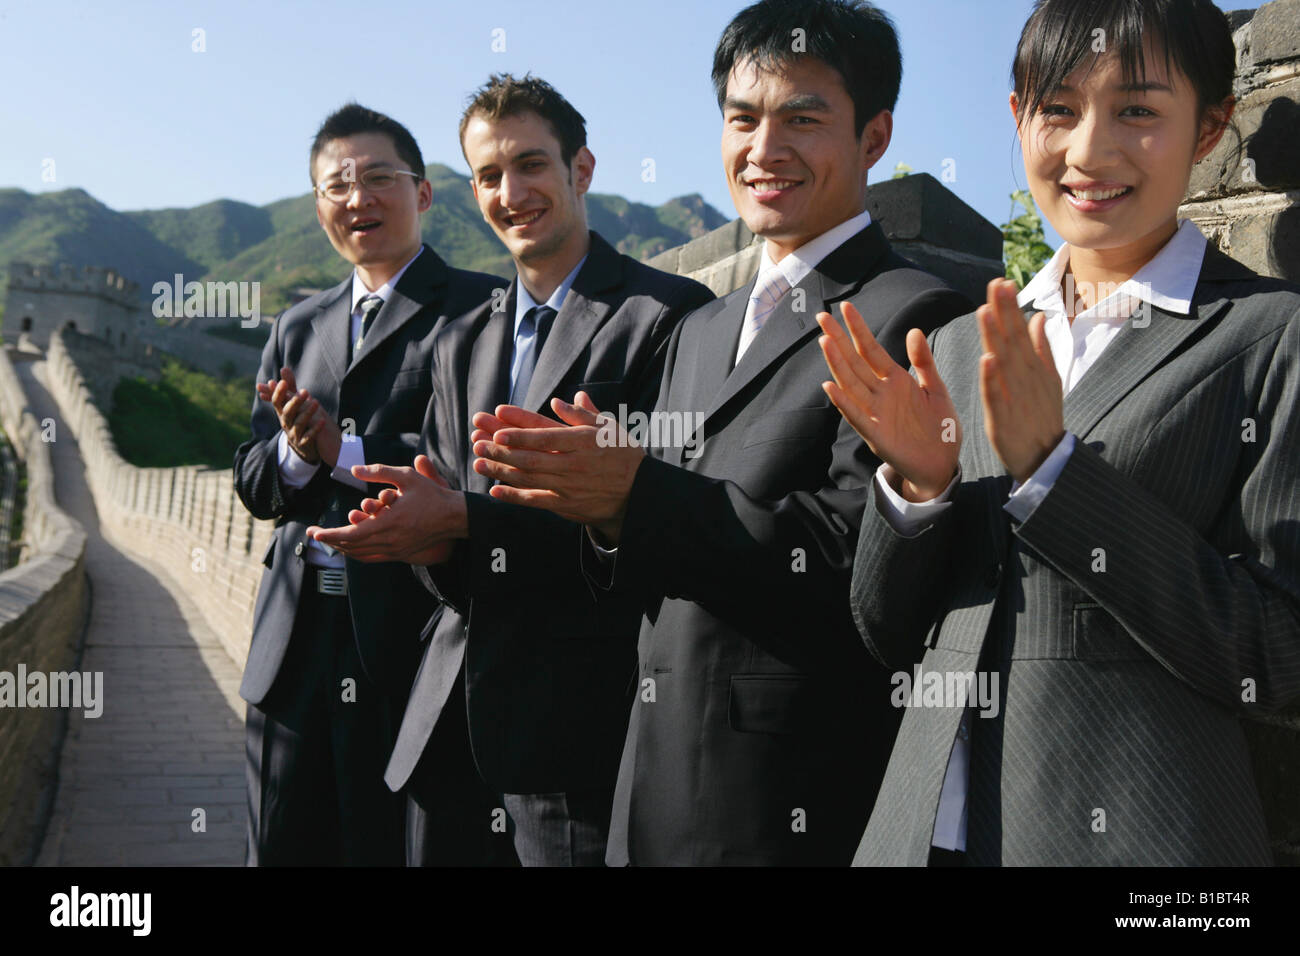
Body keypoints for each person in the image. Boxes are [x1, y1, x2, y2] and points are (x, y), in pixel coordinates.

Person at [466, 0, 969, 864]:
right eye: (743, 119)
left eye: (802, 119)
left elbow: (855, 563)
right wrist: (600, 508)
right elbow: (647, 555)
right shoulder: (703, 326)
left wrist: (636, 493)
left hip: (785, 797)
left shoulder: (913, 313)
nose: (763, 150)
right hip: (645, 782)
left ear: (874, 138)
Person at [820, 0, 1300, 865]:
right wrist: (919, 495)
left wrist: (1056, 475)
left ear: (1210, 129)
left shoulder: (1267, 336)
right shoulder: (967, 342)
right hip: (921, 831)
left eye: (1139, 111)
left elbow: (1283, 659)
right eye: (1058, 109)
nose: (1087, 152)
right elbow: (890, 634)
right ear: (1018, 116)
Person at [309, 74, 714, 866]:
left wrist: (465, 519)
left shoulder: (665, 317)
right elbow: (450, 520)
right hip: (450, 723)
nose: (511, 192)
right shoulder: (460, 340)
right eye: (490, 176)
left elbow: (658, 536)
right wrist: (422, 538)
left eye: (532, 165)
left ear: (581, 170)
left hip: (579, 739)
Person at [233, 103, 504, 865]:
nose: (359, 199)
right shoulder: (298, 326)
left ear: (422, 193)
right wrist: (296, 455)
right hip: (290, 647)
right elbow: (254, 479)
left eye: (379, 178)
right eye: (337, 186)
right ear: (319, 207)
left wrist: (345, 449)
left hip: (405, 636)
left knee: (384, 847)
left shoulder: (480, 308)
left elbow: (472, 458)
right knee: (281, 843)